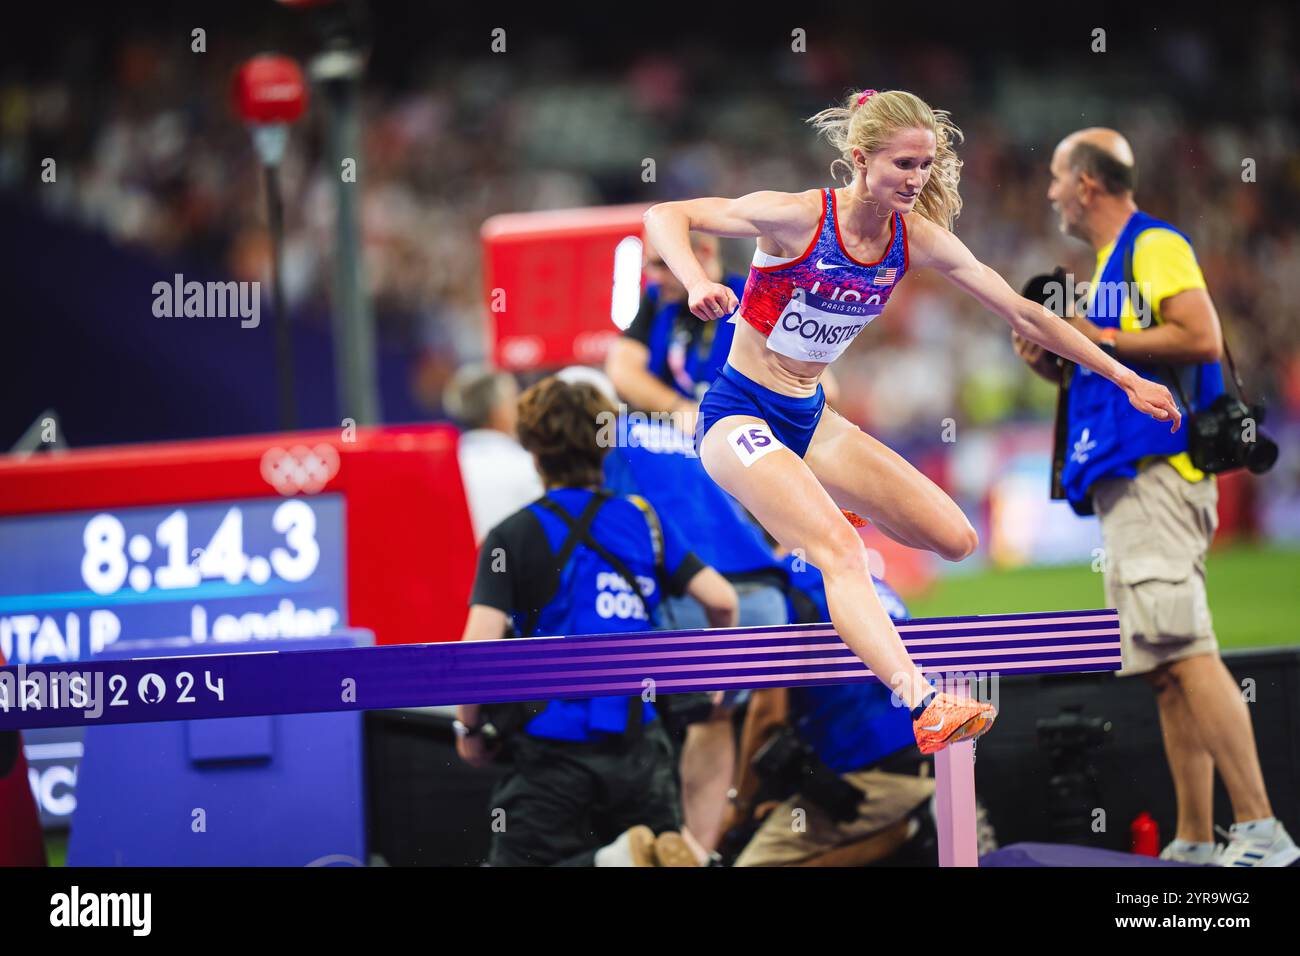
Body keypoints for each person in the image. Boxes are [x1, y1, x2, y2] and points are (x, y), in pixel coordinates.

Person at [641, 88, 1181, 755]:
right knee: (840, 552)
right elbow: (666, 214)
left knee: (954, 537)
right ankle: (923, 703)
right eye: (903, 165)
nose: (916, 179)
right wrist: (695, 280)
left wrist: (1126, 376)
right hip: (738, 414)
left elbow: (1025, 313)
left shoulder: (915, 239)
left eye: (925, 165)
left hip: (813, 418)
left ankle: (830, 503)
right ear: (861, 160)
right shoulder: (798, 218)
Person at [1012, 127, 1297, 867]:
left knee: (1187, 651)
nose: (1048, 192)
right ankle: (1198, 839)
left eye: (1054, 176)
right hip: (1135, 480)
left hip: (1158, 476)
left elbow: (1199, 336)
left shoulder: (1152, 244)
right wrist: (1058, 360)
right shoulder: (1111, 263)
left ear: (1086, 184)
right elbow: (1116, 369)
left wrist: (1090, 332)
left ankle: (1263, 829)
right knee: (1169, 669)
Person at [454, 376, 739, 866]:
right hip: (642, 751)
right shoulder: (642, 519)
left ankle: (614, 862)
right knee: (661, 855)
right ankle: (623, 860)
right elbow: (723, 601)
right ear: (603, 445)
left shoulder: (511, 535)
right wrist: (717, 683)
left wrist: (471, 731)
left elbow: (477, 650)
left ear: (533, 448)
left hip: (552, 753)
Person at [557, 364, 789, 855]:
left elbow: (591, 530)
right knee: (713, 718)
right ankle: (699, 851)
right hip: (762, 595)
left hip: (695, 598)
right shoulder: (672, 435)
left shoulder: (599, 441)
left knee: (645, 718)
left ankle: (660, 847)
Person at [605, 235, 840, 434]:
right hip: (673, 439)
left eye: (663, 264)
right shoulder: (657, 299)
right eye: (649, 265)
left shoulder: (758, 300)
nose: (653, 276)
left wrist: (740, 423)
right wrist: (679, 408)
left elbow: (824, 389)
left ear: (705, 252)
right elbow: (622, 370)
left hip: (737, 442)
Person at [442, 364, 543, 543]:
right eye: (514, 398)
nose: (520, 407)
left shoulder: (449, 468)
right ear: (499, 411)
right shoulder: (525, 467)